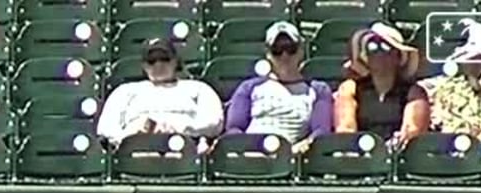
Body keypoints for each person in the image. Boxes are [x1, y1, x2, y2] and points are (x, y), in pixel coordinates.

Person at [224, 21, 334, 152]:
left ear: (301, 51)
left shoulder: (317, 90)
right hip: (250, 153)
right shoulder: (249, 88)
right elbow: (234, 128)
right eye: (277, 50)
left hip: (291, 156)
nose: (285, 56)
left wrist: (307, 143)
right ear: (267, 53)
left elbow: (320, 131)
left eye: (290, 48)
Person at [96, 38, 223, 146]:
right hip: (137, 149)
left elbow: (214, 122)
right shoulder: (125, 91)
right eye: (151, 61)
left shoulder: (198, 89)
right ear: (144, 66)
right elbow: (105, 128)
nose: (158, 65)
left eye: (164, 59)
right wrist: (130, 134)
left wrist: (178, 127)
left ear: (175, 62)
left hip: (183, 148)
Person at [333, 23, 429, 149]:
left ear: (398, 56)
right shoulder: (351, 89)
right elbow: (345, 129)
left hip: (398, 155)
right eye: (372, 48)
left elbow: (412, 132)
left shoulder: (414, 92)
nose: (379, 54)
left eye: (386, 48)